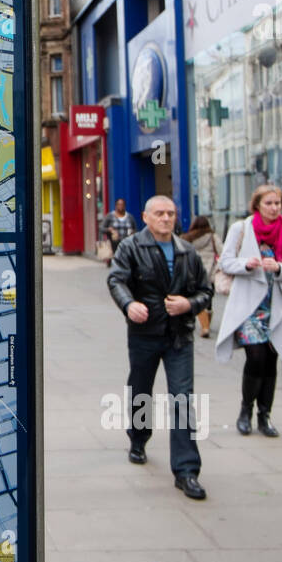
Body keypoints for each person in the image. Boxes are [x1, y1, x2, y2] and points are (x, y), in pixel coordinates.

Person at [107, 195, 213, 499]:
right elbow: (116, 280)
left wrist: (188, 304)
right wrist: (129, 305)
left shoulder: (186, 250)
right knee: (141, 389)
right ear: (146, 217)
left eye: (170, 213)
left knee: (182, 398)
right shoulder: (131, 247)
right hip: (144, 333)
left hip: (179, 336)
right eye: (160, 213)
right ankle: (138, 439)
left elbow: (206, 290)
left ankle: (187, 470)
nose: (166, 218)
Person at [215, 185, 282, 437]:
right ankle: (245, 411)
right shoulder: (241, 229)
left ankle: (265, 415)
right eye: (269, 203)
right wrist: (246, 264)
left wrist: (279, 268)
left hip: (276, 307)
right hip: (249, 307)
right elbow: (225, 261)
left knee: (271, 360)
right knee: (256, 358)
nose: (274, 208)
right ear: (257, 204)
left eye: (278, 203)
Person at [183, 215, 222, 337]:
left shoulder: (188, 238)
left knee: (199, 295)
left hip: (195, 271)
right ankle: (206, 324)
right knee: (209, 296)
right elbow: (222, 251)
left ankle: (205, 326)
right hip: (211, 271)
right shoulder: (212, 237)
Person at [101, 198, 137, 263]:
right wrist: (109, 230)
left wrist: (132, 232)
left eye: (122, 204)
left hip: (127, 243)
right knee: (116, 260)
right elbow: (102, 228)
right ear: (116, 206)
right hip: (114, 244)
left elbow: (135, 229)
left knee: (126, 260)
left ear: (125, 206)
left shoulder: (130, 217)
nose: (121, 206)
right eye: (119, 204)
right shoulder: (110, 216)